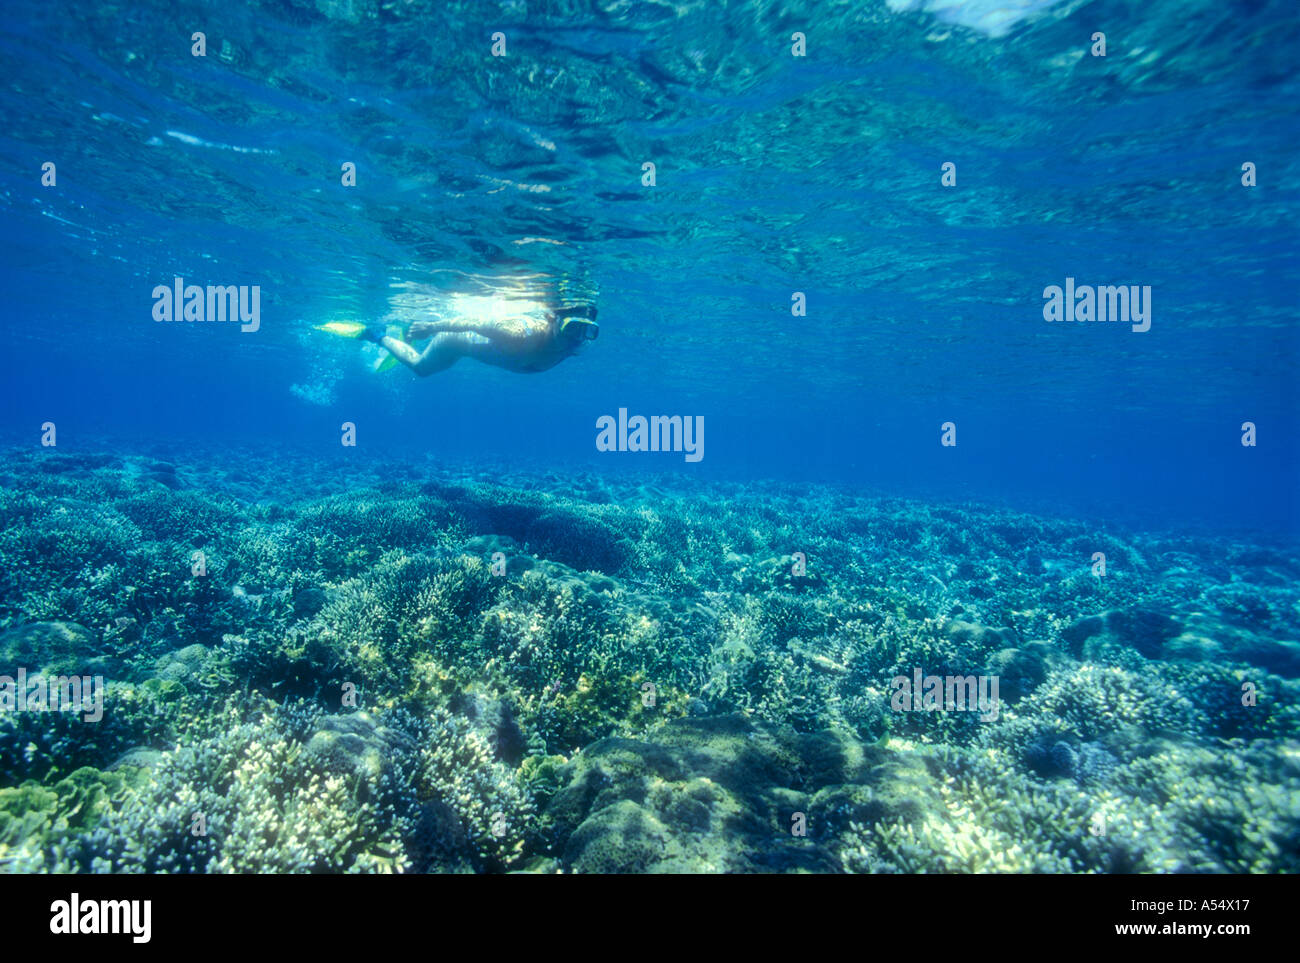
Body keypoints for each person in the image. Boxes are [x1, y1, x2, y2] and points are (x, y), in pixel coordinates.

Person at [361, 304, 598, 376]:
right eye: (571, 328)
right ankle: (377, 335)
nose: (577, 338)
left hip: (479, 349)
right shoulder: (519, 334)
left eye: (586, 331)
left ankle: (397, 332)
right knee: (421, 368)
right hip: (455, 340)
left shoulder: (577, 345)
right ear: (551, 318)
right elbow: (474, 322)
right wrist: (430, 328)